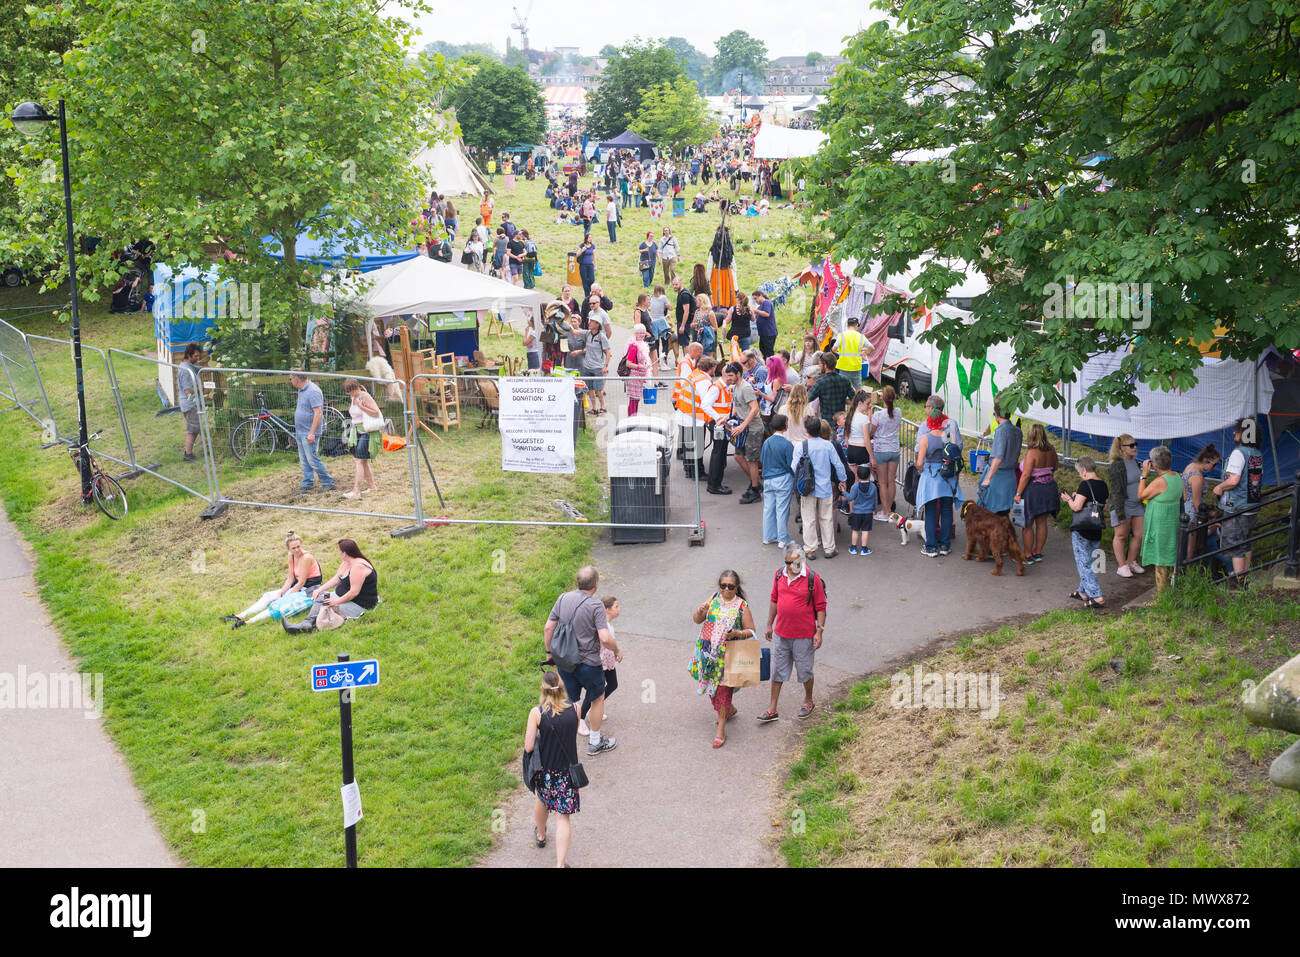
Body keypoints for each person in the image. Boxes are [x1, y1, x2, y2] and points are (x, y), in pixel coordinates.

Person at [544, 566, 621, 756]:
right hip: (588, 663)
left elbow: (548, 628)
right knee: (597, 697)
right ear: (595, 584)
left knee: (570, 700)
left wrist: (549, 654)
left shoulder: (563, 598)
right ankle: (595, 742)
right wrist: (617, 649)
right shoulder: (595, 606)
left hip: (565, 661)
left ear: (577, 582)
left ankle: (563, 740)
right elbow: (604, 638)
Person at [689, 570, 758, 748]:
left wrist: (737, 633)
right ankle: (730, 710)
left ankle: (721, 729)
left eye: (730, 586)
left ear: (737, 587)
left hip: (728, 656)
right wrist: (700, 611)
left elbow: (751, 630)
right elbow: (697, 620)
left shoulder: (742, 606)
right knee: (712, 690)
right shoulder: (713, 598)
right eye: (723, 585)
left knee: (722, 691)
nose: (726, 589)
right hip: (707, 653)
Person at [759, 544, 827, 722]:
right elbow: (774, 599)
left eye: (793, 562)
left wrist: (819, 632)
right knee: (777, 671)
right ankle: (772, 708)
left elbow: (821, 607)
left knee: (805, 671)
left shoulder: (813, 578)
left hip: (804, 636)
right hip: (782, 634)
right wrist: (769, 624)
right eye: (787, 562)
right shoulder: (779, 574)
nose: (789, 566)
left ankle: (808, 700)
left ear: (802, 560)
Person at [523, 671, 580, 867]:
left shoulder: (537, 713)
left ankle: (540, 834)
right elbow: (572, 733)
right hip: (568, 773)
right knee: (563, 818)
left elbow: (528, 746)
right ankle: (560, 864)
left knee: (542, 800)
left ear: (542, 689)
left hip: (546, 772)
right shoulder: (575, 708)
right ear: (562, 688)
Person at [221, 530, 322, 628]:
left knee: (278, 605)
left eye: (298, 546)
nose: (296, 550)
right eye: (293, 548)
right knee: (268, 596)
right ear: (288, 549)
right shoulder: (291, 556)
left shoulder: (306, 557)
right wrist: (281, 593)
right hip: (299, 587)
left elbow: (301, 582)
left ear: (302, 545)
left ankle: (248, 622)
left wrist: (284, 598)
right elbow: (290, 579)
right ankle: (240, 616)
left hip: (311, 590)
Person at [283, 539, 378, 633]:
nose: (338, 553)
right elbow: (337, 579)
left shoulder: (358, 567)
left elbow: (354, 592)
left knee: (327, 607)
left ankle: (309, 626)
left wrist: (335, 601)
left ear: (344, 553)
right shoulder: (346, 562)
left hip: (358, 603)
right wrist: (320, 589)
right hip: (342, 596)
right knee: (321, 597)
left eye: (339, 551)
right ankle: (307, 623)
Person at [1212, 418, 1262, 586]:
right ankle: (1245, 578)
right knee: (1245, 542)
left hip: (1237, 507)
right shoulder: (1256, 453)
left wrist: (1220, 487)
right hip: (1251, 506)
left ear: (1245, 433)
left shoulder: (1239, 453)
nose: (1234, 432)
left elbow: (1234, 480)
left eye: (1237, 430)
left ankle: (1238, 582)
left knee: (1235, 545)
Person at [792, 413, 847, 560]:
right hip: (825, 487)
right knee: (826, 518)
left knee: (809, 519)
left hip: (807, 488)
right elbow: (838, 465)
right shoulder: (828, 445)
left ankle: (810, 549)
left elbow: (794, 467)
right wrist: (843, 480)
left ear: (806, 430)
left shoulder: (800, 446)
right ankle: (829, 548)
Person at [915, 407, 963, 557]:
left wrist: (918, 469)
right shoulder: (948, 435)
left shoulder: (925, 438)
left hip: (930, 477)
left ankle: (930, 547)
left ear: (930, 423)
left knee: (930, 512)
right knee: (946, 511)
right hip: (947, 476)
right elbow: (955, 453)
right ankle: (944, 545)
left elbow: (920, 462)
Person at [1062, 457, 1109, 608]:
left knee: (1084, 563)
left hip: (1082, 529)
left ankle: (1096, 596)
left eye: (1078, 472)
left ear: (1083, 470)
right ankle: (1083, 592)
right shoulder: (1103, 485)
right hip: (1096, 528)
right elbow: (1103, 506)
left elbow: (1076, 507)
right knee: (1089, 560)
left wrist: (1068, 499)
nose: (1079, 475)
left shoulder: (1085, 485)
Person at [1138, 445, 1183, 596]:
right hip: (1172, 522)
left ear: (1154, 465)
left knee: (1160, 562)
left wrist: (1144, 475)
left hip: (1160, 525)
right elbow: (1184, 497)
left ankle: (1161, 597)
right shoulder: (1177, 476)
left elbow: (1141, 495)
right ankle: (1167, 592)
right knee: (1168, 558)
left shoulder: (1160, 481)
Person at [1014, 424, 1059, 563]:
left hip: (1034, 490)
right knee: (1042, 522)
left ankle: (1027, 555)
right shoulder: (1051, 450)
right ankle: (1038, 552)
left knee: (1027, 524)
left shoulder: (1032, 453)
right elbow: (1055, 467)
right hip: (1049, 488)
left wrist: (1018, 493)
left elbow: (1026, 475)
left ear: (1031, 435)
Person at [577, 596, 622, 734]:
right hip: (599, 661)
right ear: (607, 610)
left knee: (612, 684)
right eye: (616, 606)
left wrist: (614, 652)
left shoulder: (609, 624)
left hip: (607, 660)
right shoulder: (603, 625)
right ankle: (581, 719)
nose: (618, 609)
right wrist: (617, 651)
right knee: (595, 690)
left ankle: (595, 707)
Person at [289, 370, 335, 495]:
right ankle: (308, 483)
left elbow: (318, 413)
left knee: (312, 459)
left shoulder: (313, 391)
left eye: (290, 378)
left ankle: (328, 482)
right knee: (304, 460)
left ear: (296, 379)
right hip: (300, 431)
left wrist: (312, 433)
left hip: (309, 432)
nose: (290, 381)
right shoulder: (301, 390)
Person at [724, 361, 764, 504]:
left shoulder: (746, 388)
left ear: (738, 374)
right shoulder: (735, 387)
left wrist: (743, 426)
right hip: (743, 426)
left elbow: (754, 408)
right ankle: (756, 483)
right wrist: (727, 418)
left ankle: (755, 490)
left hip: (752, 428)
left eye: (730, 375)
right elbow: (737, 406)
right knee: (738, 457)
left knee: (752, 460)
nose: (728, 378)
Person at [1107, 433, 1146, 578]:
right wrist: (1120, 513)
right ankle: (1121, 565)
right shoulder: (1117, 466)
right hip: (1123, 505)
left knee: (1139, 535)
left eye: (1135, 444)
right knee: (1121, 535)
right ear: (1121, 448)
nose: (1135, 447)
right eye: (1131, 445)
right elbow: (1116, 492)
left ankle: (1131, 562)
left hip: (1137, 505)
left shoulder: (1136, 463)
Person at [342, 378, 382, 499]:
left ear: (354, 389)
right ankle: (372, 487)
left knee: (359, 460)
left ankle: (356, 491)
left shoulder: (365, 397)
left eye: (349, 391)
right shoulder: (353, 397)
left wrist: (361, 406)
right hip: (357, 431)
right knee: (362, 461)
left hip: (367, 432)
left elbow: (376, 412)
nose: (348, 394)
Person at [979, 401, 1021, 516]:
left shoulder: (1000, 431)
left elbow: (998, 457)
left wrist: (988, 478)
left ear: (996, 414)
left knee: (992, 513)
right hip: (1010, 476)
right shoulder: (1018, 431)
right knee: (1004, 512)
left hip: (998, 476)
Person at [761, 413, 796, 546]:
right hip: (782, 478)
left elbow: (762, 460)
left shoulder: (767, 442)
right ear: (785, 426)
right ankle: (782, 538)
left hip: (768, 478)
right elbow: (791, 464)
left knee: (768, 508)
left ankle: (768, 536)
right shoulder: (787, 444)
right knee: (782, 509)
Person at [1181, 444, 1220, 559]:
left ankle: (1178, 573)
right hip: (1192, 513)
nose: (1214, 467)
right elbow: (1196, 503)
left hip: (1184, 507)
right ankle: (1185, 573)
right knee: (1189, 549)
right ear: (1205, 460)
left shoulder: (1190, 466)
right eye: (1214, 465)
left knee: (1182, 545)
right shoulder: (1197, 476)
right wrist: (1206, 520)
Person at [567, 312, 611, 415]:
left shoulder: (601, 337)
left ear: (597, 324)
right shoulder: (587, 333)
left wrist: (605, 366)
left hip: (598, 367)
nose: (589, 323)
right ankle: (594, 408)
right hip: (587, 366)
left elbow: (608, 352)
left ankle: (603, 407)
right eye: (589, 321)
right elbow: (574, 331)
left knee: (598, 390)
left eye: (591, 322)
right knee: (590, 389)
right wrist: (564, 323)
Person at [870, 385, 901, 517]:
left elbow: (872, 432)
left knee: (882, 482)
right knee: (891, 481)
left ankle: (885, 511)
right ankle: (889, 509)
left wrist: (870, 417)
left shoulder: (878, 415)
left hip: (881, 450)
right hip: (894, 449)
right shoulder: (898, 411)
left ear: (882, 398)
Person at [807, 352, 854, 427]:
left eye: (820, 364)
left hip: (827, 425)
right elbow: (854, 399)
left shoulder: (821, 382)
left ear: (825, 365)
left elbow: (807, 398)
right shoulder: (845, 380)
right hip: (842, 423)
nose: (819, 366)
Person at [844, 464, 878, 555]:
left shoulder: (855, 486)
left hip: (856, 512)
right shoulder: (873, 487)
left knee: (855, 530)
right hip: (868, 513)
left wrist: (843, 491)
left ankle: (853, 548)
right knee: (865, 531)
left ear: (857, 475)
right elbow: (875, 500)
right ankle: (864, 549)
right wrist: (874, 510)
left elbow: (850, 497)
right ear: (870, 474)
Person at [177, 343, 203, 462]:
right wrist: (201, 387)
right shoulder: (186, 370)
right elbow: (188, 390)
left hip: (191, 404)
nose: (198, 358)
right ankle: (188, 455)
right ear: (189, 355)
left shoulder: (188, 366)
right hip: (189, 404)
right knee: (193, 430)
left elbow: (200, 369)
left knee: (196, 428)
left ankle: (190, 453)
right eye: (196, 356)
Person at [834, 316, 872, 390]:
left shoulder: (842, 335)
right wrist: (864, 353)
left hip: (843, 366)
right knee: (858, 388)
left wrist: (839, 353)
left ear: (847, 325)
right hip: (856, 367)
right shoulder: (861, 337)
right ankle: (857, 401)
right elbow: (872, 347)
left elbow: (834, 348)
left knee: (842, 389)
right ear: (857, 326)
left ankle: (844, 401)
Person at [624, 323, 651, 416]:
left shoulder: (643, 345)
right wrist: (641, 367)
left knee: (636, 399)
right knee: (633, 399)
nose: (642, 335)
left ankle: (633, 417)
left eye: (643, 332)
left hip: (639, 376)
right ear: (635, 334)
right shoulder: (633, 347)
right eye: (639, 333)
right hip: (633, 376)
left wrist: (646, 366)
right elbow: (628, 363)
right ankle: (631, 418)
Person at [752, 289, 778, 358]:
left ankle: (772, 367)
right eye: (754, 299)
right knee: (762, 353)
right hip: (763, 334)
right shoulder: (760, 307)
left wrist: (756, 311)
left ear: (761, 295)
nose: (755, 300)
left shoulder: (766, 303)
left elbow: (767, 314)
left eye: (756, 298)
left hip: (769, 333)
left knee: (769, 353)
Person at [576, 234, 596, 299]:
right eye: (589, 237)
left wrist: (595, 266)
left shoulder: (592, 246)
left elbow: (594, 257)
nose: (590, 239)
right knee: (584, 281)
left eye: (591, 237)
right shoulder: (582, 245)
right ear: (586, 238)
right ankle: (587, 296)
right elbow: (577, 255)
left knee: (592, 279)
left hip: (590, 265)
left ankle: (590, 291)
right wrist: (582, 250)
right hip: (583, 266)